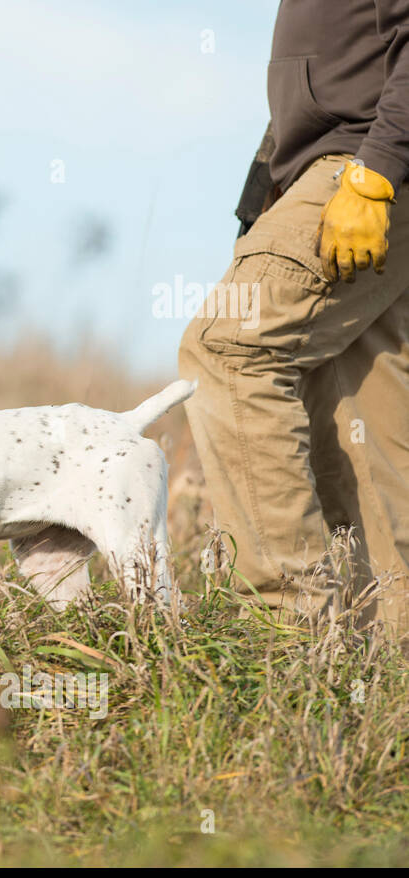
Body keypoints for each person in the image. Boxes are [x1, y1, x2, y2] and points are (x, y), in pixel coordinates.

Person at [178, 1, 409, 632]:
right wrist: (259, 195)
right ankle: (382, 672)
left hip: (363, 165)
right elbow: (324, 75)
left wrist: (378, 174)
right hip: (346, 164)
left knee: (229, 346)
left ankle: (291, 630)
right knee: (362, 414)